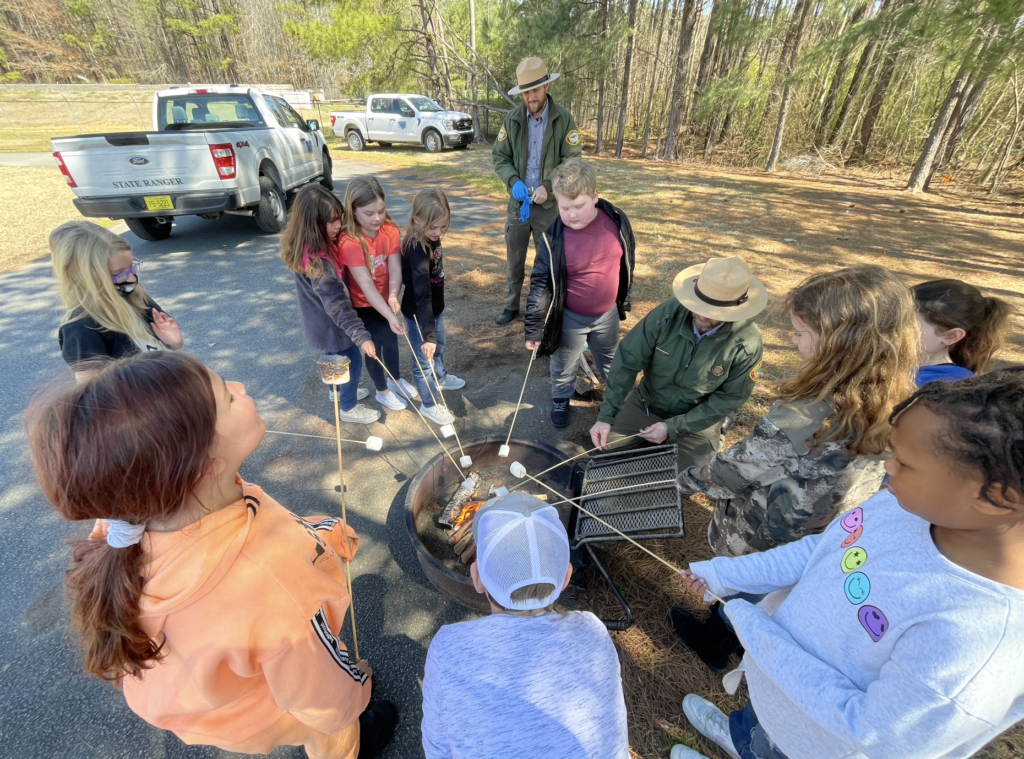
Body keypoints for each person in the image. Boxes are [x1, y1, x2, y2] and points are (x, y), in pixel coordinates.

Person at [26, 352, 398, 759]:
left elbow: (256, 528)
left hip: (207, 705)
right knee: (333, 727)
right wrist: (353, 692)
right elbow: (323, 696)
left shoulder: (132, 521)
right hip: (267, 708)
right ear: (204, 466)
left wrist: (321, 534)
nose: (240, 387)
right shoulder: (274, 585)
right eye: (227, 397)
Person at [670, 369, 1024, 759]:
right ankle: (742, 739)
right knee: (756, 733)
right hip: (775, 693)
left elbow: (871, 733)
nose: (887, 467)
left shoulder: (979, 640)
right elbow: (825, 549)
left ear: (996, 496)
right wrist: (726, 574)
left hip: (807, 746)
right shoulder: (904, 506)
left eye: (905, 463)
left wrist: (755, 629)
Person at [670, 265, 920, 672]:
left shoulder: (806, 414)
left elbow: (733, 473)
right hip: (826, 535)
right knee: (772, 592)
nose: (793, 340)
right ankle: (735, 634)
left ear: (842, 343)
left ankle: (717, 641)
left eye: (801, 334)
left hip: (767, 535)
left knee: (743, 589)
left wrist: (681, 483)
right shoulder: (895, 397)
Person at [421, 492, 629, 758]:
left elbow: (437, 750)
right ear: (566, 578)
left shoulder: (448, 649)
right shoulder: (593, 631)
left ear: (477, 579)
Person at [590, 256, 766, 468]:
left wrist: (673, 427)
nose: (701, 316)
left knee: (684, 481)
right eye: (699, 306)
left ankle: (716, 434)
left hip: (695, 419)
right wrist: (606, 416)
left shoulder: (747, 343)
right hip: (646, 404)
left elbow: (730, 398)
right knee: (603, 453)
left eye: (712, 313)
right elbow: (627, 362)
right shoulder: (666, 315)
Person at [524, 158, 635, 428]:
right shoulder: (553, 239)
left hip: (606, 314)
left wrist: (624, 298)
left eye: (579, 206)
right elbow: (541, 282)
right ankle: (561, 398)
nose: (572, 214)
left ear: (595, 196)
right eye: (565, 208)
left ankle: (620, 401)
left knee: (611, 359)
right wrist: (535, 327)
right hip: (570, 317)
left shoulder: (616, 221)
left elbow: (626, 261)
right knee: (564, 361)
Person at [492, 56, 583, 325]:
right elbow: (500, 157)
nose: (530, 97)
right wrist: (513, 181)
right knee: (515, 260)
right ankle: (511, 306)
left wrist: (548, 187)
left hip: (547, 207)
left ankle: (546, 308)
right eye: (525, 92)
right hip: (518, 206)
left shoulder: (563, 119)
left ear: (546, 87)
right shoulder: (512, 120)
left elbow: (573, 160)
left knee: (548, 261)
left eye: (534, 90)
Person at [281, 184, 380, 424]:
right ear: (313, 224)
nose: (339, 226)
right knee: (351, 360)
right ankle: (348, 407)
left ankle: (335, 390)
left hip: (317, 322)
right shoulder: (320, 264)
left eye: (340, 219)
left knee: (334, 357)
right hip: (332, 325)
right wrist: (361, 336)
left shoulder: (308, 245)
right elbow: (336, 305)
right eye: (333, 222)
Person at [49, 221, 183, 382]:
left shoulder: (136, 298)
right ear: (86, 279)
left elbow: (163, 348)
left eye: (131, 268)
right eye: (119, 274)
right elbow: (92, 394)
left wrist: (174, 343)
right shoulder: (80, 329)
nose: (132, 278)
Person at [337, 175, 416, 411]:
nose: (377, 218)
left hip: (384, 299)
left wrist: (393, 295)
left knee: (390, 342)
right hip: (363, 304)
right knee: (373, 348)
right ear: (353, 210)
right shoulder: (349, 240)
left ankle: (395, 380)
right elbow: (365, 285)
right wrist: (391, 315)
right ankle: (382, 391)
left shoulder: (390, 230)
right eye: (369, 213)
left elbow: (394, 268)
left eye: (381, 211)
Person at [400, 188, 466, 427]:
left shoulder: (431, 237)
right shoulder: (416, 249)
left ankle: (440, 377)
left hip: (434, 311)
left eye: (443, 227)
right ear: (416, 219)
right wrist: (427, 336)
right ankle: (429, 405)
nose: (439, 233)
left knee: (440, 346)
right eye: (433, 228)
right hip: (420, 315)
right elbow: (422, 293)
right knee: (423, 362)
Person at [912, 278, 1011, 386]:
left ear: (951, 336)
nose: (893, 330)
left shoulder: (948, 387)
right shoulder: (898, 364)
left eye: (911, 326)